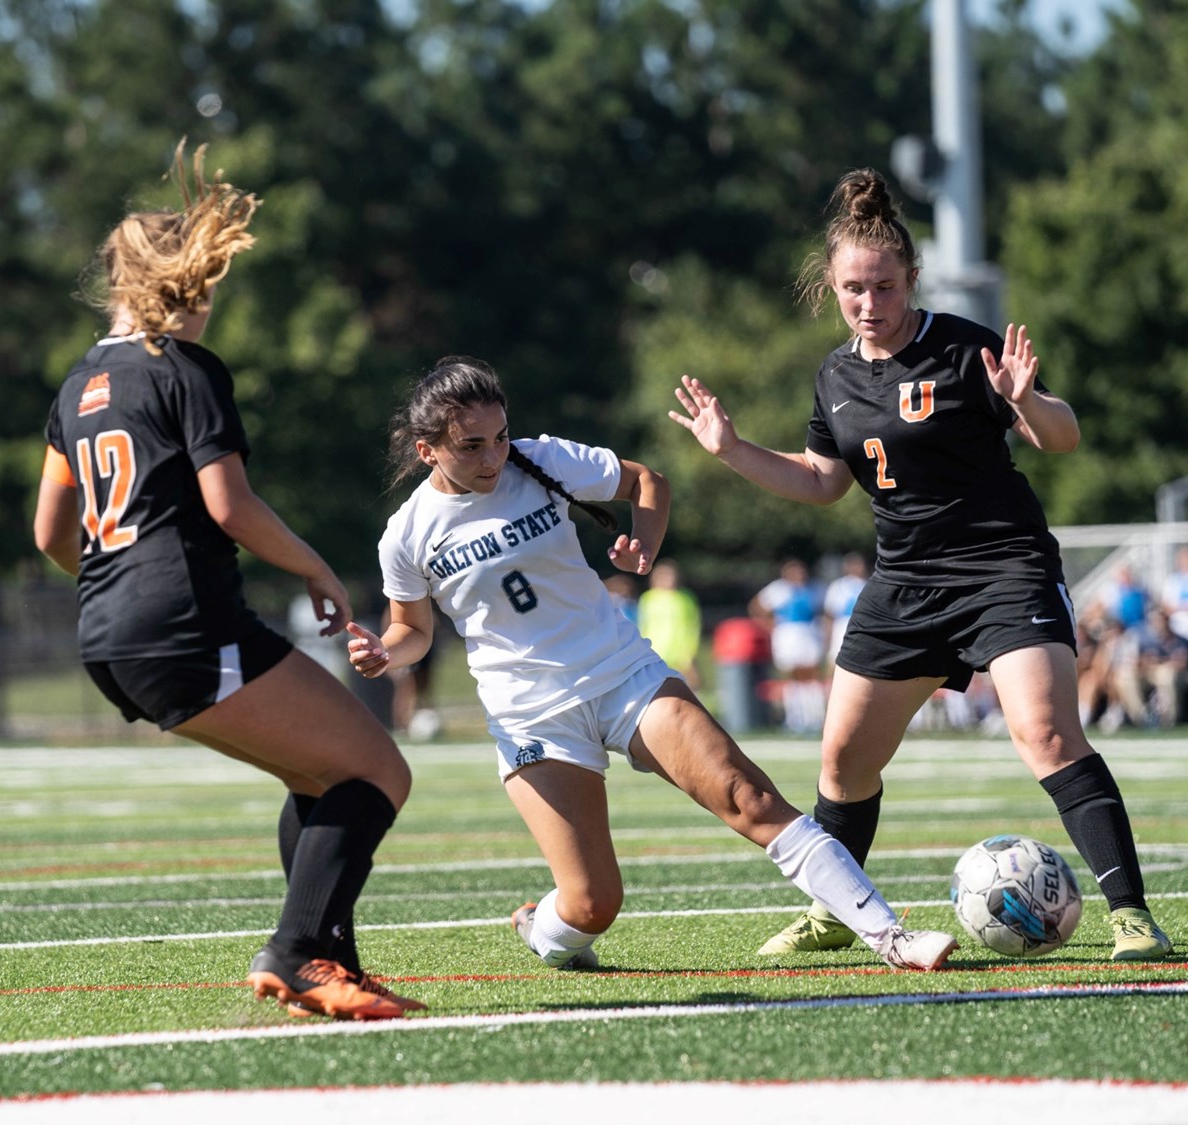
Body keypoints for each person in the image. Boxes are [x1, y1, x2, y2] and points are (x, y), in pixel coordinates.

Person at [668, 167, 1172, 962]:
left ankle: (1132, 914)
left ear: (912, 279)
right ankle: (836, 908)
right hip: (905, 584)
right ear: (833, 289)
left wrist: (1028, 400)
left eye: (883, 287)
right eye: (852, 290)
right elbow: (820, 480)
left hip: (1003, 568)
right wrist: (731, 450)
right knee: (844, 758)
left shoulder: (968, 346)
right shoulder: (835, 375)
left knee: (1045, 732)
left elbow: (1062, 437)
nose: (869, 304)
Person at [345, 357, 958, 973]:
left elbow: (647, 482)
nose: (493, 457)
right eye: (471, 446)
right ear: (428, 451)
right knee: (591, 906)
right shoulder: (406, 534)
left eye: (500, 437)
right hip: (531, 716)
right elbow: (413, 631)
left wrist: (645, 544)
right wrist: (384, 652)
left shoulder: (543, 459)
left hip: (621, 673)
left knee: (749, 796)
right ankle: (542, 928)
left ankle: (890, 937)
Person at [31, 144, 422, 1020]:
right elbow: (230, 506)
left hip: (109, 633)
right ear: (184, 287)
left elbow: (51, 532)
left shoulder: (77, 383)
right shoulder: (186, 369)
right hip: (186, 618)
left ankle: (330, 961)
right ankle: (294, 951)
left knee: (326, 775)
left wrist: (116, 584)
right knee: (379, 771)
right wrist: (317, 564)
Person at [752, 558, 827, 733]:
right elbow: (757, 606)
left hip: (809, 632)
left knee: (811, 673)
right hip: (788, 634)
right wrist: (769, 625)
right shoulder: (778, 589)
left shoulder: (814, 588)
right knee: (791, 674)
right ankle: (795, 717)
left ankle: (815, 716)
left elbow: (825, 610)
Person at [635, 558, 702, 688]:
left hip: (681, 652)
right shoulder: (648, 598)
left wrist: (690, 652)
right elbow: (643, 624)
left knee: (687, 685)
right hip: (656, 649)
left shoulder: (686, 598)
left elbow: (693, 625)